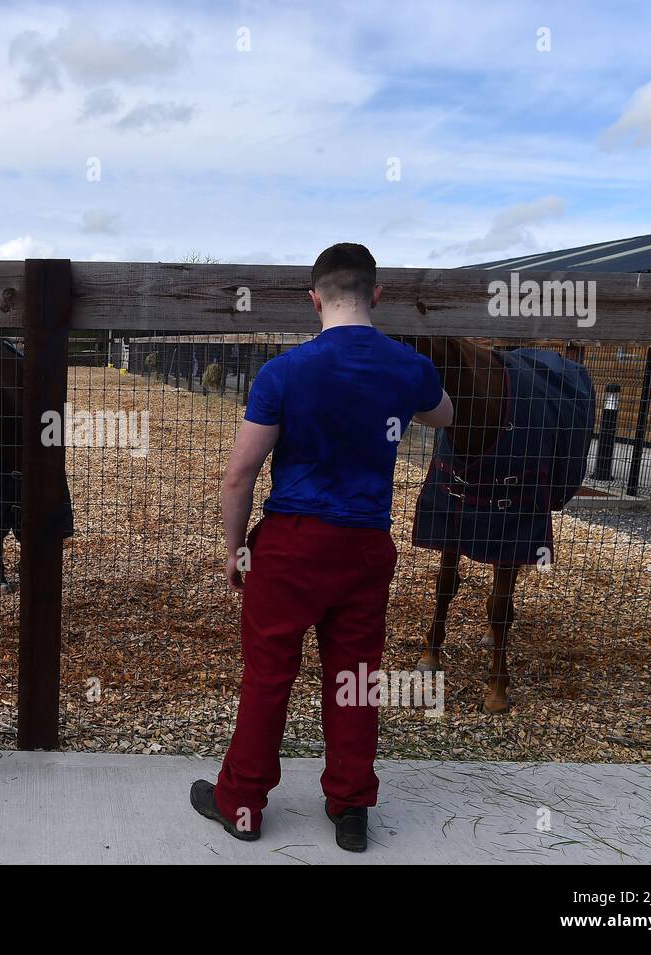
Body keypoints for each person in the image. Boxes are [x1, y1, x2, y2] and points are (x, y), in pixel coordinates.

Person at [191, 243, 454, 852]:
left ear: (315, 300)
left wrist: (235, 549)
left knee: (268, 675)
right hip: (364, 544)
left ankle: (243, 803)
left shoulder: (284, 373)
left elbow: (240, 474)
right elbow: (442, 415)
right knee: (356, 678)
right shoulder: (407, 366)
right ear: (377, 296)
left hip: (291, 545)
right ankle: (352, 805)